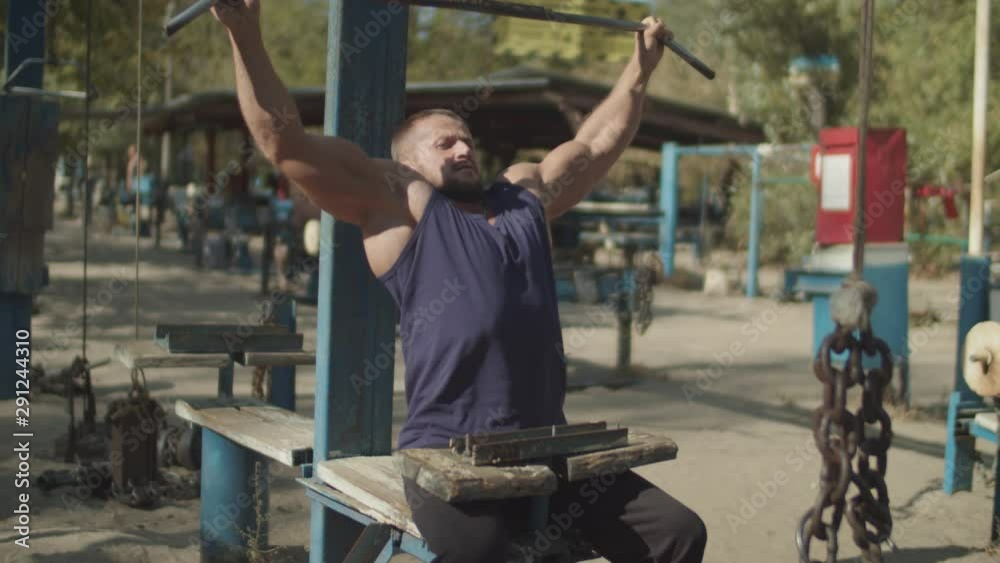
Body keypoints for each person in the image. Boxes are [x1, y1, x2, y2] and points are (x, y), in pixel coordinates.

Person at [212, 2, 706, 562]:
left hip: (550, 444)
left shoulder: (523, 196)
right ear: (407, 162)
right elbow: (287, 146)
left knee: (678, 532)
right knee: (489, 553)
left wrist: (638, 70)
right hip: (448, 455)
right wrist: (244, 33)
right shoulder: (399, 206)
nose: (463, 148)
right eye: (443, 143)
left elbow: (593, 147)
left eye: (466, 139)